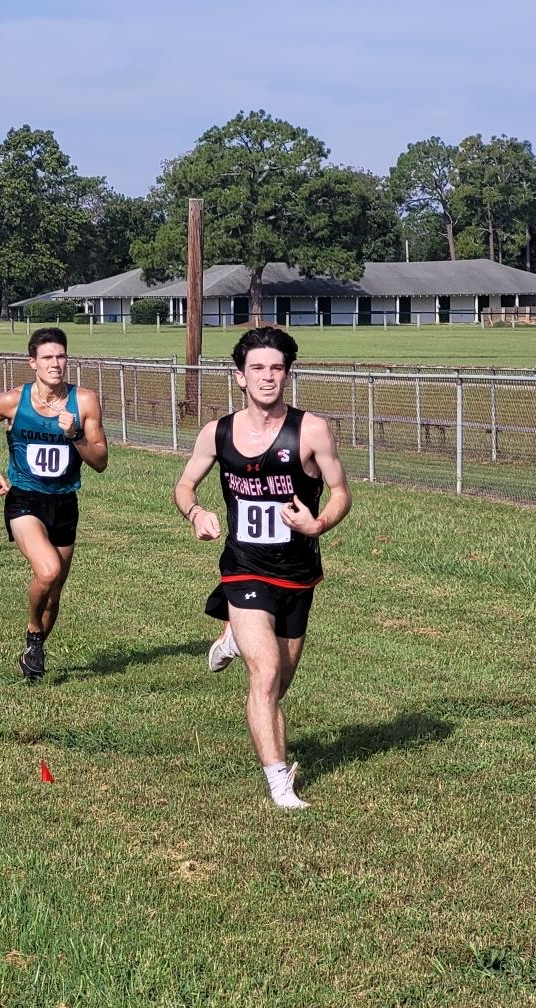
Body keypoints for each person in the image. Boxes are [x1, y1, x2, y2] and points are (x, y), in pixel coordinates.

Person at [174, 326, 352, 809]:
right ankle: (280, 784)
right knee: (266, 673)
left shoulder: (310, 430)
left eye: (276, 368)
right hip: (244, 567)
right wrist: (196, 513)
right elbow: (184, 486)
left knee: (278, 684)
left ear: (287, 374)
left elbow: (341, 492)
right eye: (257, 368)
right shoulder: (218, 432)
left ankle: (233, 638)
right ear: (240, 377)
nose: (267, 376)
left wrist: (318, 523)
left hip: (297, 572)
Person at [0, 327, 108, 682]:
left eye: (61, 356)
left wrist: (75, 435)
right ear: (32, 363)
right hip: (25, 499)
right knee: (48, 571)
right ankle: (32, 631)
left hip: (64, 503)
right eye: (47, 357)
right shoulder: (14, 401)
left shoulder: (84, 401)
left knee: (54, 596)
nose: (55, 363)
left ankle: (35, 650)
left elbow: (101, 461)